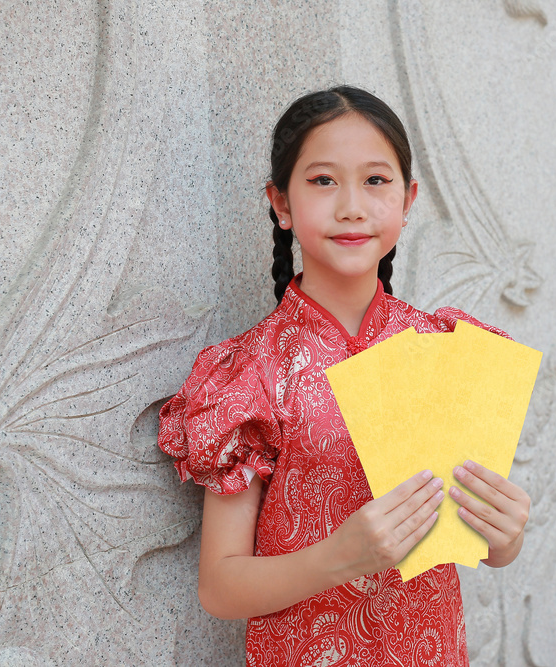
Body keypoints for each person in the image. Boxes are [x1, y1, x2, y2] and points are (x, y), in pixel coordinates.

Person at [157, 84, 531, 666]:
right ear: (281, 203)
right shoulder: (251, 372)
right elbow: (220, 587)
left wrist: (505, 537)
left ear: (408, 202)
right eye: (324, 181)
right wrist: (342, 556)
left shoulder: (446, 352)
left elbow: (478, 544)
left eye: (375, 181)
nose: (352, 205)